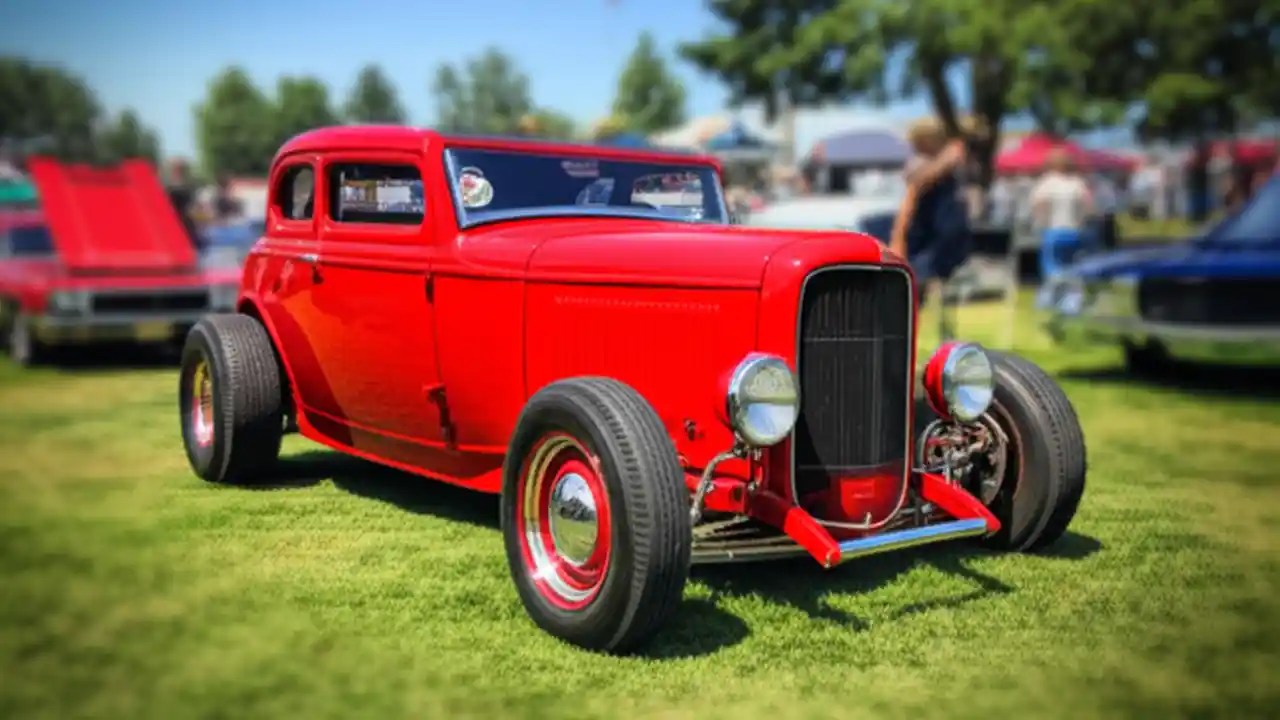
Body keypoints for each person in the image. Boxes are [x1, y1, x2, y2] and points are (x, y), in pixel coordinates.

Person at [888, 117, 973, 328]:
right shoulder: (920, 163)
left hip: (948, 240)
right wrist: (898, 240)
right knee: (913, 293)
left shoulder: (949, 165)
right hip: (925, 242)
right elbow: (913, 192)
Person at [1029, 149, 1092, 295]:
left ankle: (1053, 296)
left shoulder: (1046, 183)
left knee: (1052, 266)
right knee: (1072, 266)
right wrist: (1080, 221)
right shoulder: (1077, 183)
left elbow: (1038, 204)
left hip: (1053, 230)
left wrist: (1041, 222)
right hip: (1074, 231)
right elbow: (1088, 206)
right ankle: (1073, 297)